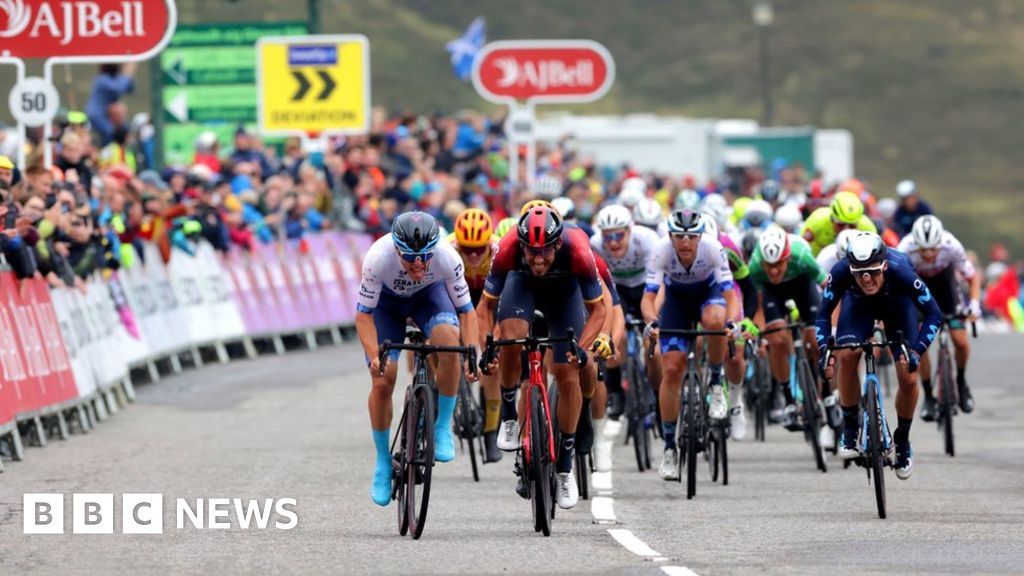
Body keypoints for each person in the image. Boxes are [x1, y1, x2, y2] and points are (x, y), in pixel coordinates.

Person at [478, 206, 607, 510]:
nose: (537, 259)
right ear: (521, 244)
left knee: (567, 372)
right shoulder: (509, 247)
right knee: (511, 337)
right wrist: (488, 344)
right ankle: (509, 415)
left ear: (557, 245)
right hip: (521, 289)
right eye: (531, 251)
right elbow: (485, 307)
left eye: (545, 252)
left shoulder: (578, 249)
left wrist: (582, 348)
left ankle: (564, 467)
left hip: (565, 295)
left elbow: (599, 310)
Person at [355, 212, 480, 506]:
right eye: (411, 257)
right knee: (384, 380)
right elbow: (363, 315)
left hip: (428, 298)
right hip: (387, 306)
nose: (419, 264)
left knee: (449, 343)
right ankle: (383, 461)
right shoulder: (378, 258)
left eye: (425, 256)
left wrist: (472, 351)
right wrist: (374, 356)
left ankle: (442, 425)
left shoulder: (447, 257)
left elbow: (467, 312)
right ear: (397, 249)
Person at [817, 232, 942, 480]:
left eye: (873, 271)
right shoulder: (840, 271)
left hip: (898, 308)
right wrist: (825, 351)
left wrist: (917, 350)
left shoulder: (901, 270)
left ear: (884, 265)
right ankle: (850, 426)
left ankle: (902, 440)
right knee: (847, 357)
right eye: (859, 272)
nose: (866, 278)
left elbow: (934, 314)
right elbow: (822, 315)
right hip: (858, 308)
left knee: (908, 375)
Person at [642, 209, 737, 480]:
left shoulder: (713, 249)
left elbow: (730, 294)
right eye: (679, 236)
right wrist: (652, 322)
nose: (685, 242)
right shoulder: (661, 251)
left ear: (700, 236)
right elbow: (648, 298)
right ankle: (670, 447)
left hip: (709, 295)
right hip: (677, 302)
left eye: (691, 237)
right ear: (670, 237)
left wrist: (732, 321)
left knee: (716, 319)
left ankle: (716, 382)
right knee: (671, 369)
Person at [897, 216, 981, 419]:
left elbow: (971, 277)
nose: (928, 254)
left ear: (940, 243)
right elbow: (896, 284)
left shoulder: (952, 246)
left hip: (946, 288)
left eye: (933, 249)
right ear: (915, 243)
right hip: (920, 289)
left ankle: (961, 383)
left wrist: (974, 304)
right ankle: (928, 395)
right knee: (920, 344)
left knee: (960, 341)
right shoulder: (905, 248)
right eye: (923, 250)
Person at [748, 226, 826, 431]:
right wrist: (760, 336)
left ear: (787, 257)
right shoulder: (755, 266)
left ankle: (825, 395)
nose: (773, 270)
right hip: (773, 293)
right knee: (777, 340)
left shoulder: (801, 255)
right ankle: (789, 400)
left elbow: (827, 288)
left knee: (817, 340)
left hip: (803, 286)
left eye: (779, 264)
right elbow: (757, 308)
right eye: (769, 265)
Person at [590, 205, 662, 422]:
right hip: (617, 290)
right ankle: (616, 392)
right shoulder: (595, 245)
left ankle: (658, 396)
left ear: (630, 231)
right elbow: (600, 287)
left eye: (619, 235)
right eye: (607, 236)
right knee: (614, 339)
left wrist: (653, 319)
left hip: (645, 289)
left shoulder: (647, 239)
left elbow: (657, 282)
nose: (613, 242)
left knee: (654, 348)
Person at [448, 208, 503, 462]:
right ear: (457, 242)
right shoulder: (447, 249)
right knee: (444, 341)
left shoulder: (498, 251)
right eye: (466, 249)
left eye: (478, 249)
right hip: (456, 296)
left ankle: (491, 431)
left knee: (491, 358)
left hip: (489, 298)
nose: (472, 255)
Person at [799, 190, 877, 256]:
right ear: (832, 219)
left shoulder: (868, 227)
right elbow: (801, 245)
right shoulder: (817, 220)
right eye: (841, 225)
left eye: (852, 225)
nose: (846, 229)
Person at [85, 63, 136, 146]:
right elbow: (118, 87)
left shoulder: (116, 78)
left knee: (126, 130)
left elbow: (130, 89)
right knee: (109, 131)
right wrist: (127, 73)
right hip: (97, 114)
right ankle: (107, 151)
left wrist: (130, 75)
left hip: (111, 114)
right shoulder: (101, 79)